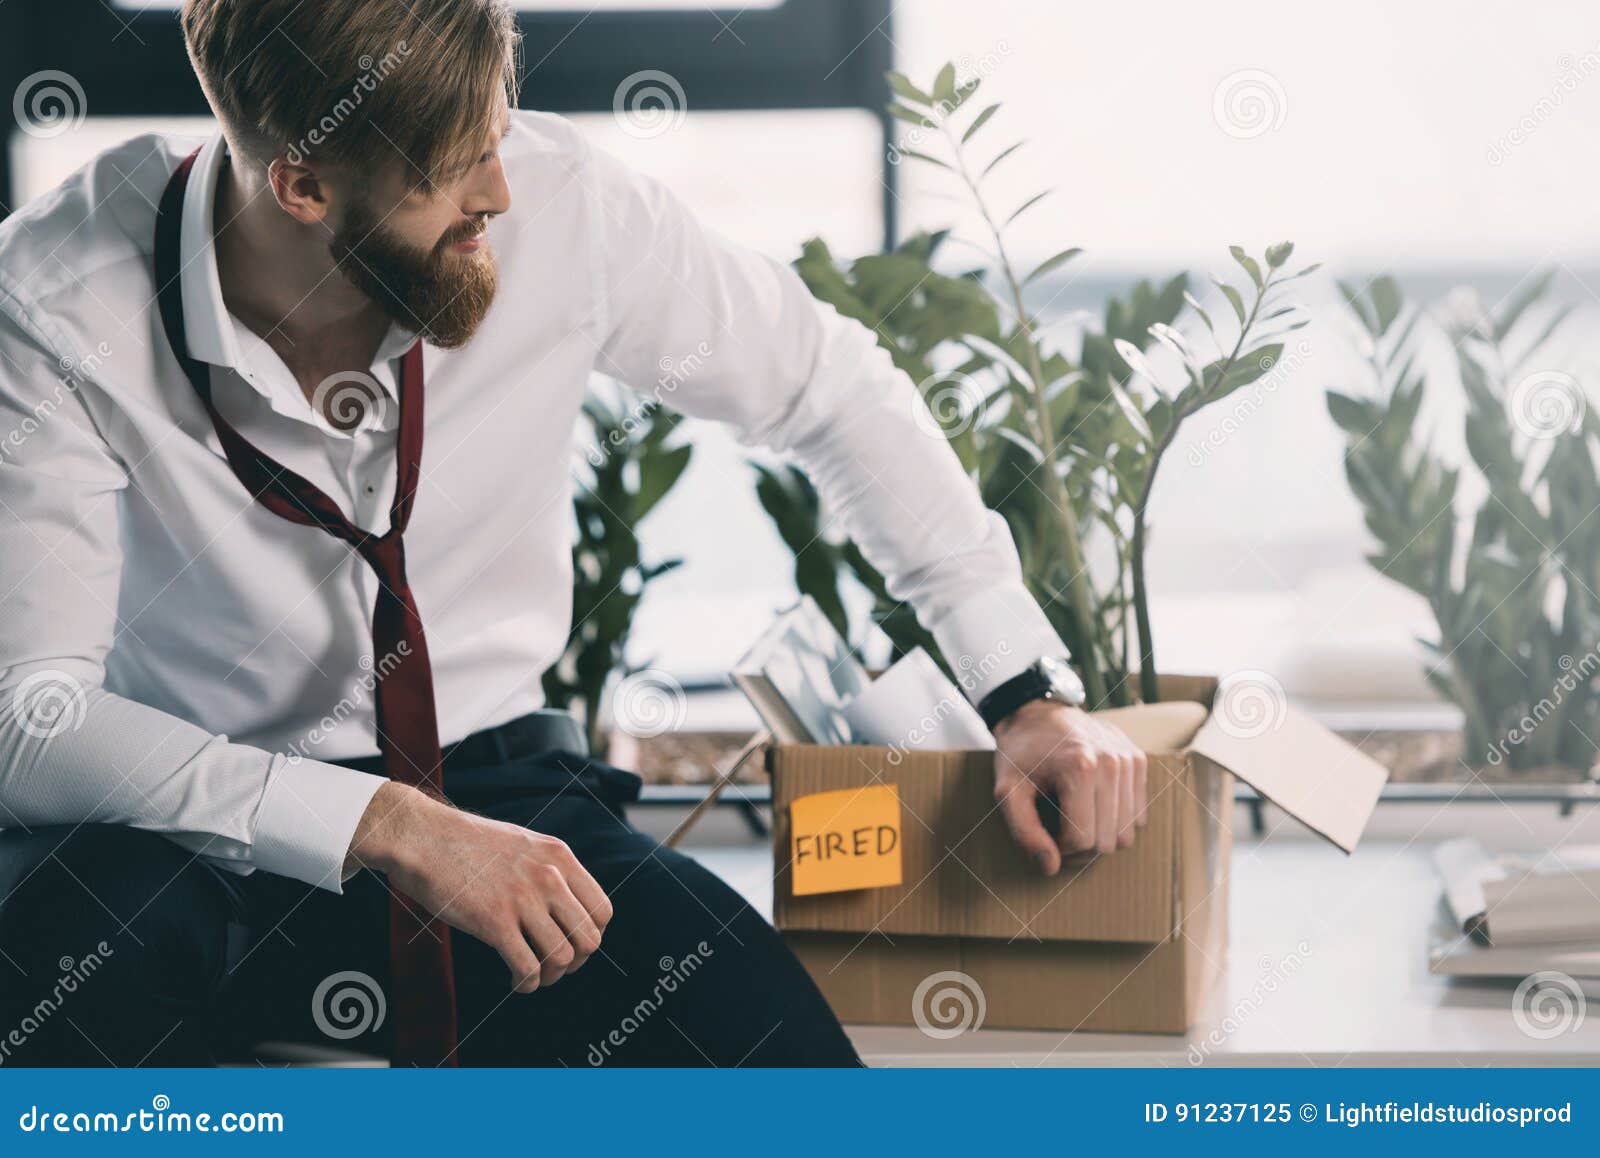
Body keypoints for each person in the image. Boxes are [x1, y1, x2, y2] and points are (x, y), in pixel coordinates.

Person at [0, 0, 1146, 1067]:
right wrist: (382, 824)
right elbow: (29, 720)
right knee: (56, 989)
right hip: (195, 833)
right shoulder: (58, 296)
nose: (500, 193)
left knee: (772, 1063)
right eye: (452, 169)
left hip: (502, 794)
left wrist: (1021, 690)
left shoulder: (567, 205)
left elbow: (829, 390)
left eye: (496, 134)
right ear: (302, 184)